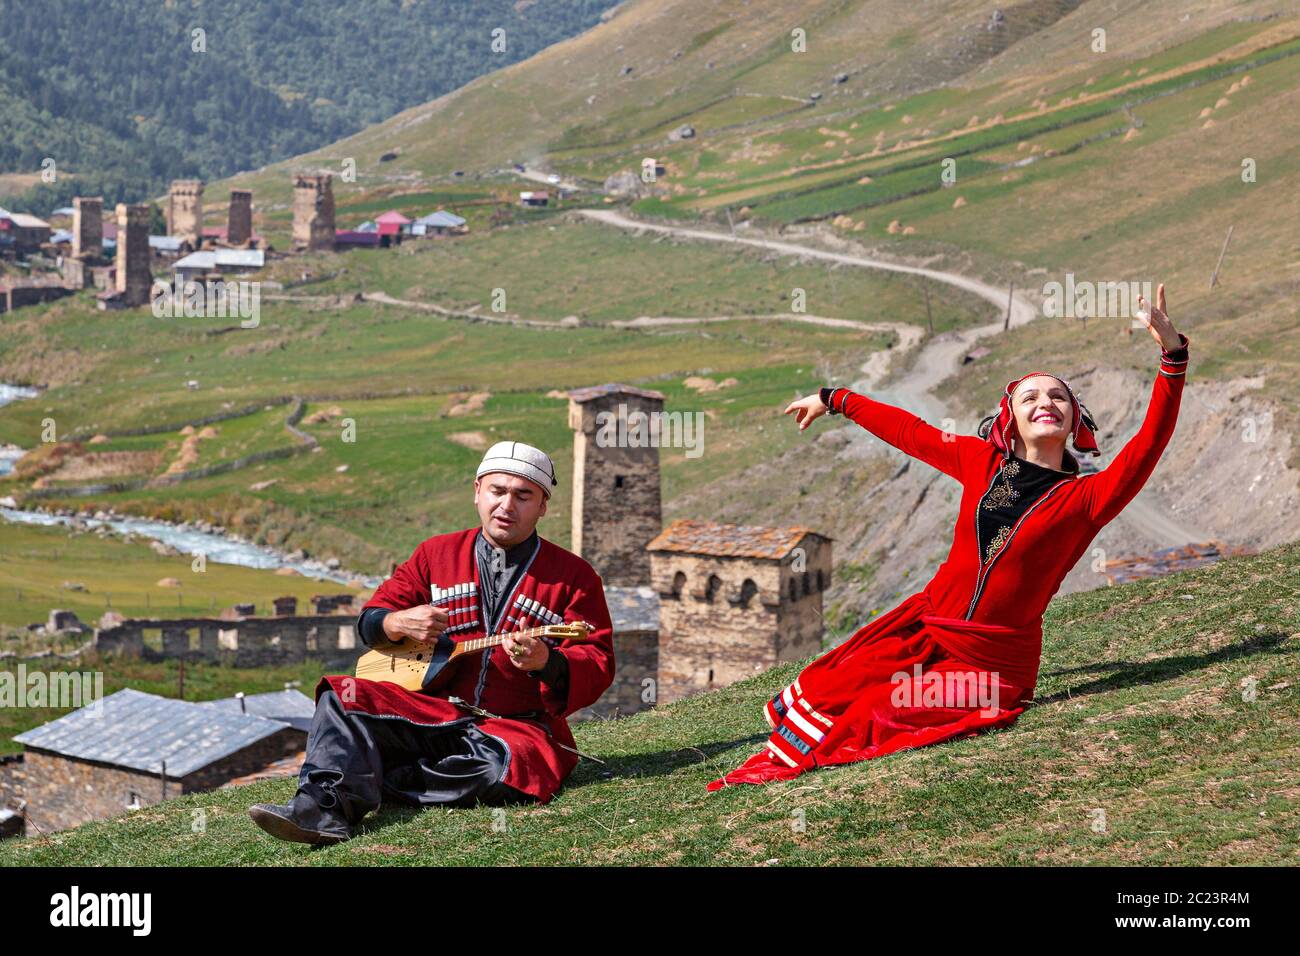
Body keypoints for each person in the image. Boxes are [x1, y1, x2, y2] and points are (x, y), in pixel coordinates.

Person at [709, 285, 1189, 790]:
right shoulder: (980, 461)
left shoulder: (1088, 499)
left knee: (876, 713)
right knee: (832, 686)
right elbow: (909, 430)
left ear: (1074, 420)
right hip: (925, 626)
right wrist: (835, 399)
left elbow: (1149, 441)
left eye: (1057, 396)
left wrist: (1172, 357)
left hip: (991, 667)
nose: (1045, 402)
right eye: (1030, 396)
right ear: (1010, 417)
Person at [250, 441, 615, 844]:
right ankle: (320, 810)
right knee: (343, 696)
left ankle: (379, 778)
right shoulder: (434, 554)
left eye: (523, 496)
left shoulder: (575, 576)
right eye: (497, 491)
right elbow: (370, 620)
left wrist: (548, 662)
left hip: (512, 728)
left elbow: (597, 658)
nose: (506, 506)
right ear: (477, 492)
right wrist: (396, 621)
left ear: (543, 505)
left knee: (503, 771)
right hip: (428, 712)